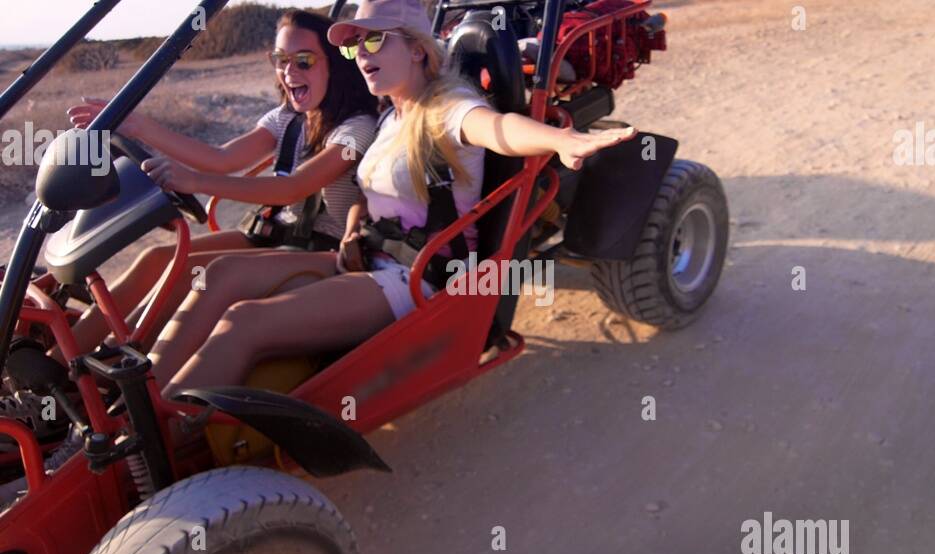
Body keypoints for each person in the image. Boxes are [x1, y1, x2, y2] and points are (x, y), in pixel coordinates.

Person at [149, 0, 636, 398]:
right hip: (367, 258)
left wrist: (559, 141)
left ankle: (161, 439)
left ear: (419, 50)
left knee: (245, 323)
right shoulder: (388, 117)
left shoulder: (447, 106)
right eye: (356, 44)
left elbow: (497, 129)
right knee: (221, 274)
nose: (361, 53)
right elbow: (368, 192)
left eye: (376, 39)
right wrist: (354, 224)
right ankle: (140, 402)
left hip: (415, 279)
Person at [63, 9, 378, 355]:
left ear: (335, 64)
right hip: (277, 236)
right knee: (155, 259)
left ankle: (120, 365)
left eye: (304, 61)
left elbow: (293, 188)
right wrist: (137, 126)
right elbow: (223, 159)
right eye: (280, 59)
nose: (289, 72)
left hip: (323, 249)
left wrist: (195, 181)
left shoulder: (356, 129)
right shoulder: (288, 119)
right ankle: (61, 361)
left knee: (202, 275)